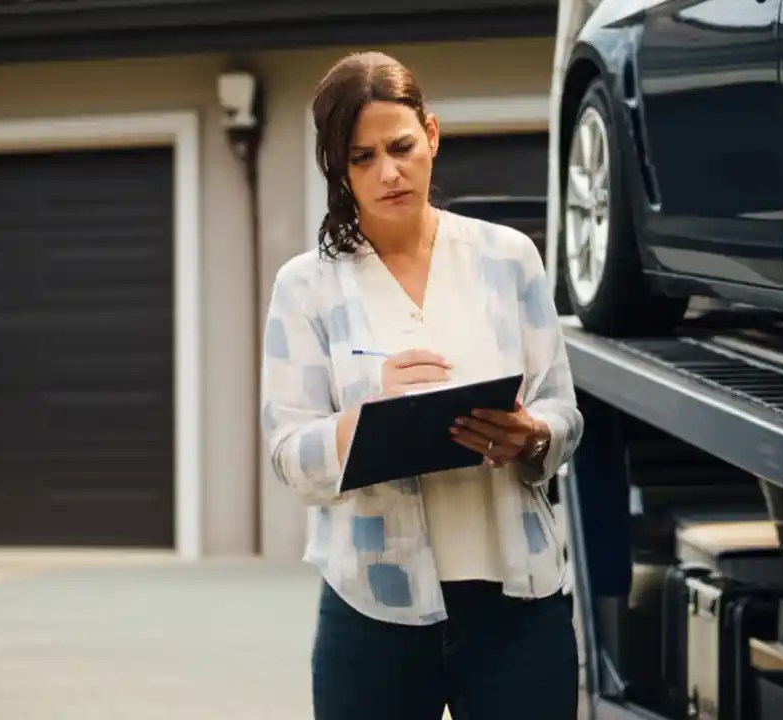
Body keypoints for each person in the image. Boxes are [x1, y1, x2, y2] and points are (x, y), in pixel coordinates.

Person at [259, 51, 585, 719]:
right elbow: (289, 455)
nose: (388, 172)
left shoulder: (508, 258)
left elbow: (564, 411)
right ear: (340, 170)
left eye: (401, 146)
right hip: (371, 609)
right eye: (362, 158)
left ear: (431, 135)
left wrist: (533, 435)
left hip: (518, 607)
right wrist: (364, 416)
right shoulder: (306, 287)